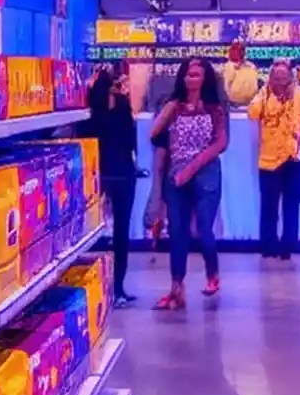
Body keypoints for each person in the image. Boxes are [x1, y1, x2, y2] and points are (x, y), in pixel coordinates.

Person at [150, 57, 227, 309]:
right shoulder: (175, 106)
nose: (190, 78)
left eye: (196, 74)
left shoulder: (215, 108)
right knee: (178, 231)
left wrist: (192, 168)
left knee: (204, 227)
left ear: (205, 78)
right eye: (187, 74)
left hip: (205, 173)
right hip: (177, 173)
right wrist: (169, 109)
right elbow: (153, 134)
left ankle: (212, 275)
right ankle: (176, 288)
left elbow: (220, 144)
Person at [248, 58, 300, 261]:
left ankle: (288, 246)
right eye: (276, 77)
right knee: (268, 205)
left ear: (290, 77)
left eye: (283, 77)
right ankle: (268, 246)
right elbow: (252, 113)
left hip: (293, 158)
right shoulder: (264, 93)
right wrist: (267, 94)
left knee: (291, 204)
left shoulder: (299, 95)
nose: (280, 80)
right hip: (269, 160)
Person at [86, 64, 138, 306]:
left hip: (102, 174)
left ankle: (102, 288)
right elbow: (131, 142)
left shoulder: (91, 115)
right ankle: (117, 288)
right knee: (121, 233)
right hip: (123, 174)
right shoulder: (123, 108)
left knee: (94, 232)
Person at [220, 39, 260, 106]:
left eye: (241, 50)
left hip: (251, 104)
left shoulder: (251, 66)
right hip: (233, 105)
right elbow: (225, 86)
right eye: (235, 49)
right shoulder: (228, 67)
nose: (239, 52)